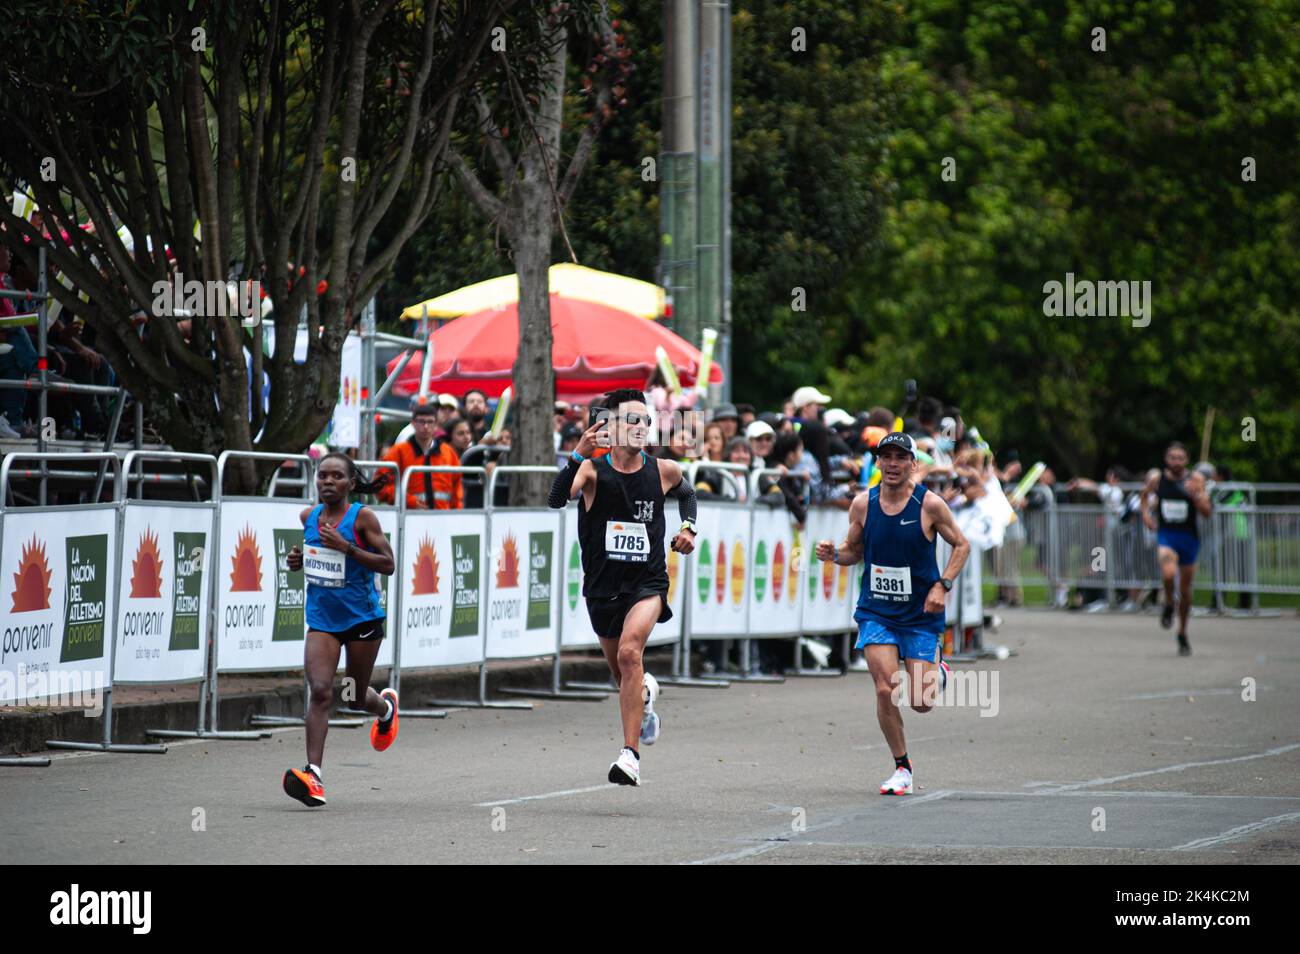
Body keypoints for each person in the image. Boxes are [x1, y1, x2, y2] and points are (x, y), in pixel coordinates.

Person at [548, 388, 698, 786]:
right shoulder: (593, 470)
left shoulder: (663, 469)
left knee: (632, 652)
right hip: (602, 586)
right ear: (609, 426)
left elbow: (688, 494)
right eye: (630, 420)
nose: (639, 427)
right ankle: (645, 704)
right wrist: (577, 453)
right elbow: (555, 499)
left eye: (645, 421)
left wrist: (688, 528)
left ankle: (629, 755)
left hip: (646, 583)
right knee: (623, 674)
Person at [815, 432, 970, 796]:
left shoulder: (929, 505)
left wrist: (942, 585)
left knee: (920, 701)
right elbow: (854, 550)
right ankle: (902, 767)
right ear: (879, 463)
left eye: (901, 457)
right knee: (885, 689)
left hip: (920, 614)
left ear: (914, 464)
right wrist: (834, 554)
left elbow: (961, 544)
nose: (893, 464)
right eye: (887, 457)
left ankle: (939, 672)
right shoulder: (863, 504)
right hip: (877, 611)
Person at [283, 454, 398, 807]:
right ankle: (313, 775)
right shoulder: (308, 517)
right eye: (322, 476)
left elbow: (388, 564)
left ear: (350, 483)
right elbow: (313, 556)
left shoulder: (362, 518)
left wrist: (347, 547)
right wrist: (297, 560)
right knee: (320, 690)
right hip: (323, 621)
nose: (328, 482)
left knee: (352, 697)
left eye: (336, 476)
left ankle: (386, 710)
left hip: (362, 621)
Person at [1140, 442, 1212, 655]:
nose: (1176, 462)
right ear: (1166, 459)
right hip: (1167, 535)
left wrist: (1196, 496)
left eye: (1180, 458)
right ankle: (1169, 602)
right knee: (1169, 574)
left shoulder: (1196, 480)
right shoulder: (1157, 480)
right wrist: (1145, 516)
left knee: (1186, 591)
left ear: (1187, 460)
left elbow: (1207, 512)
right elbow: (1143, 497)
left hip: (1189, 538)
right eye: (1173, 458)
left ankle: (1182, 632)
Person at [378, 399, 463, 510]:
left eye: (430, 422)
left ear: (436, 425)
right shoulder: (398, 452)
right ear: (413, 423)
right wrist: (408, 500)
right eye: (421, 422)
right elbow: (380, 485)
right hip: (409, 517)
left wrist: (457, 513)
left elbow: (457, 489)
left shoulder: (448, 453)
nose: (426, 426)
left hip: (443, 518)